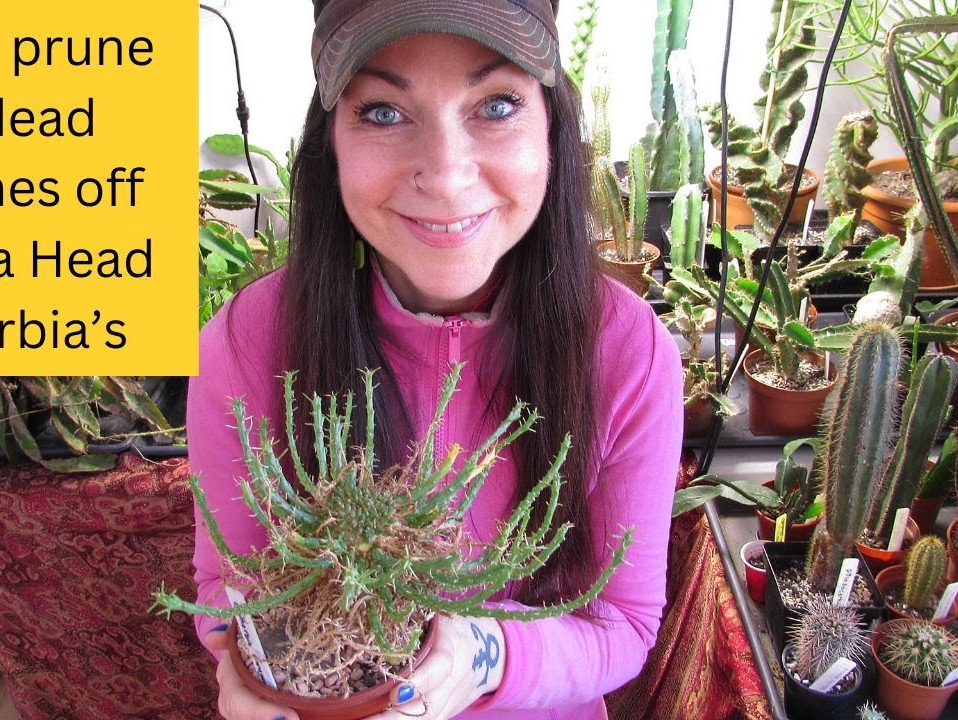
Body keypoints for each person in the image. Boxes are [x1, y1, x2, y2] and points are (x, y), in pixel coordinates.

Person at [189, 1, 682, 718]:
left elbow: (624, 625)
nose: (446, 177)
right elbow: (227, 588)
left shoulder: (627, 348)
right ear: (328, 140)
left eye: (498, 104)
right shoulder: (249, 340)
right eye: (385, 112)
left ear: (553, 127)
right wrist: (242, 667)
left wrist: (484, 657)